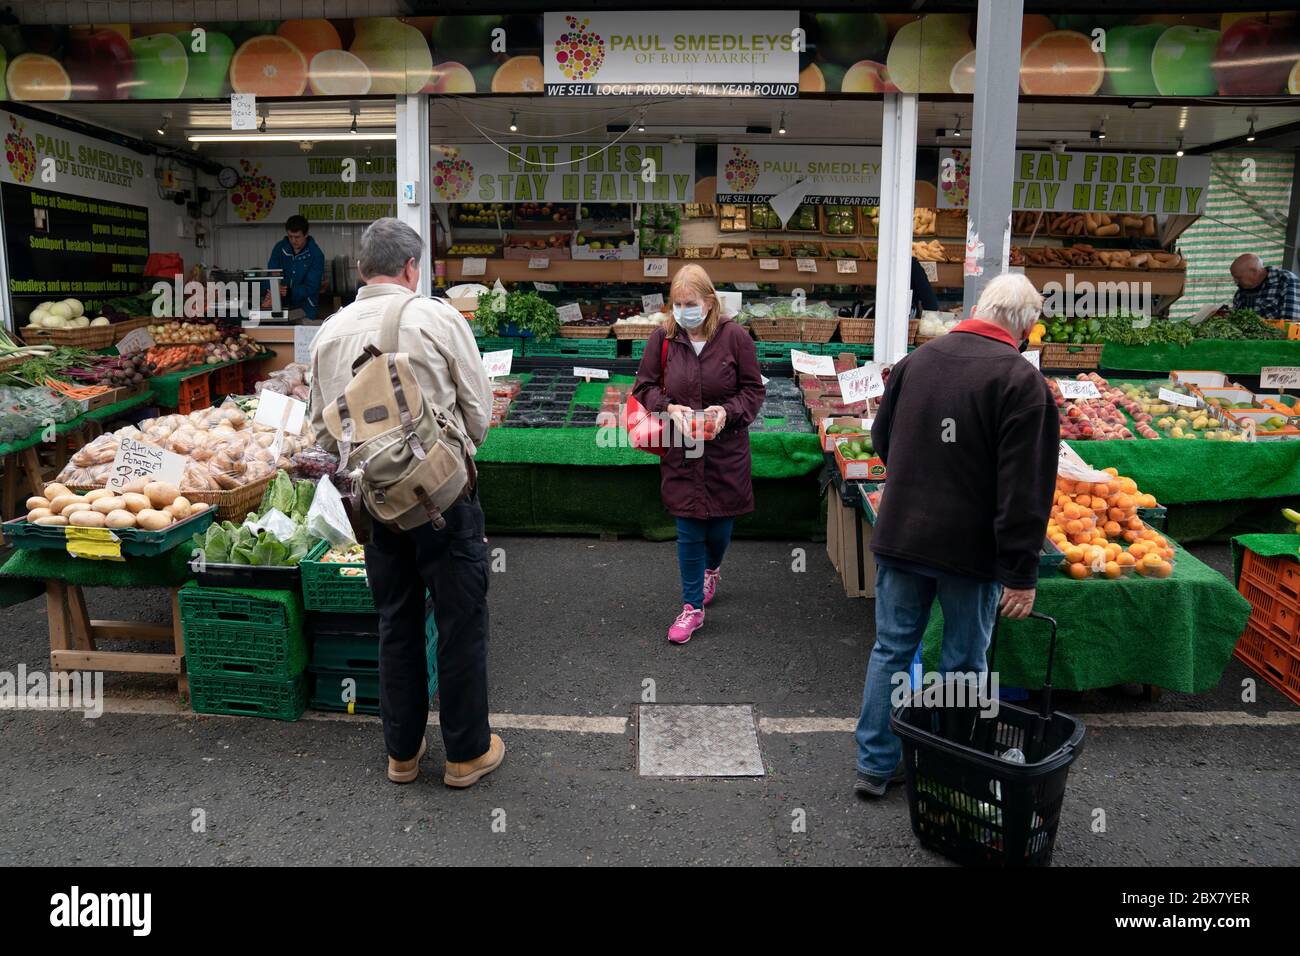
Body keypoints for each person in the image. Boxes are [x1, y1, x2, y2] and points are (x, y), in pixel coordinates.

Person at [308, 218, 503, 789]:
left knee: (396, 622)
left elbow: (322, 436)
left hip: (377, 506)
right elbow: (480, 412)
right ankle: (466, 754)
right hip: (446, 499)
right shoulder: (435, 316)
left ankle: (402, 754)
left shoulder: (330, 333)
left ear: (364, 269)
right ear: (413, 267)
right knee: (460, 622)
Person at [853, 272, 1059, 798]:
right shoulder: (1020, 382)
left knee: (892, 650)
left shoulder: (917, 362)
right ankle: (950, 768)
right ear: (1028, 326)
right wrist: (1021, 573)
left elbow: (882, 439)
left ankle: (876, 766)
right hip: (970, 550)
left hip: (902, 534)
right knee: (963, 663)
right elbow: (1024, 492)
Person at [631, 264, 765, 644]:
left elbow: (753, 391)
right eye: (676, 303)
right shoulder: (664, 337)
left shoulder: (735, 338)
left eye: (689, 303)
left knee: (720, 526)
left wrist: (728, 411)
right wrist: (668, 407)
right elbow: (644, 386)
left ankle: (712, 568)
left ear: (709, 302)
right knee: (688, 528)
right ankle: (692, 608)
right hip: (682, 447)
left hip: (726, 449)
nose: (682, 310)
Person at [265, 215, 326, 320]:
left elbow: (312, 287)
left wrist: (290, 292)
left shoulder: (316, 255)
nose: (293, 240)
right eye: (290, 236)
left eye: (297, 237)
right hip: (280, 305)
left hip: (306, 308)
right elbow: (272, 273)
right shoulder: (279, 248)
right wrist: (272, 290)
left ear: (306, 234)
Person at [1230, 253, 1299, 322]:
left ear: (1254, 271)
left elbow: (1291, 324)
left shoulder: (1286, 281)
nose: (1235, 281)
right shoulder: (1241, 291)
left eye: (1238, 277)